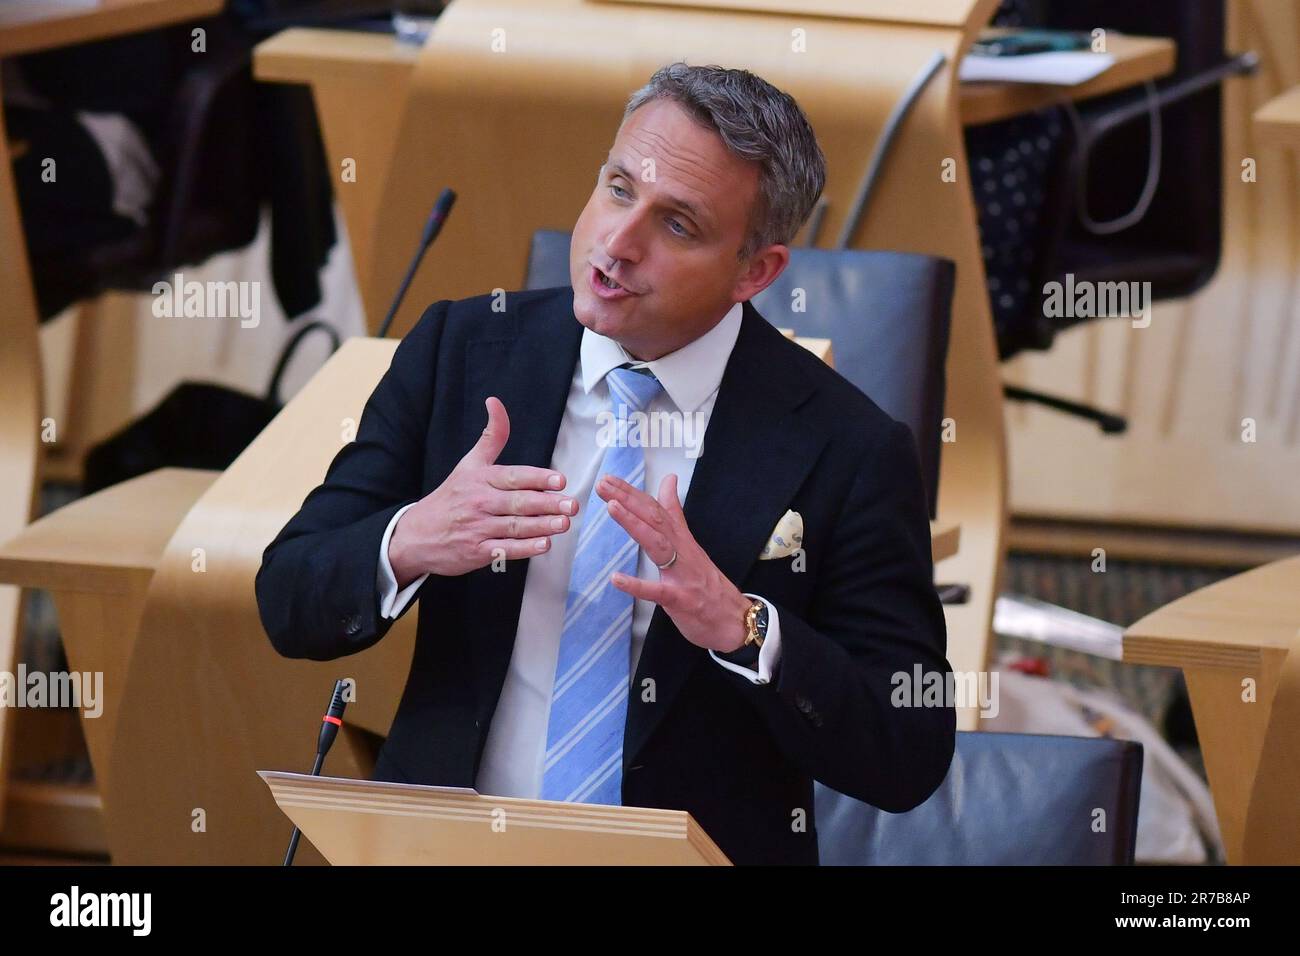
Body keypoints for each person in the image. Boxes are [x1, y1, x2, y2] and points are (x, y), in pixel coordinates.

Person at [256, 62, 955, 865]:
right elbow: (287, 596)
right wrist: (410, 537)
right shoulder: (461, 350)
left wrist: (742, 625)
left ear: (755, 271)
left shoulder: (850, 446)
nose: (617, 245)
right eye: (618, 189)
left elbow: (910, 746)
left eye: (678, 226)